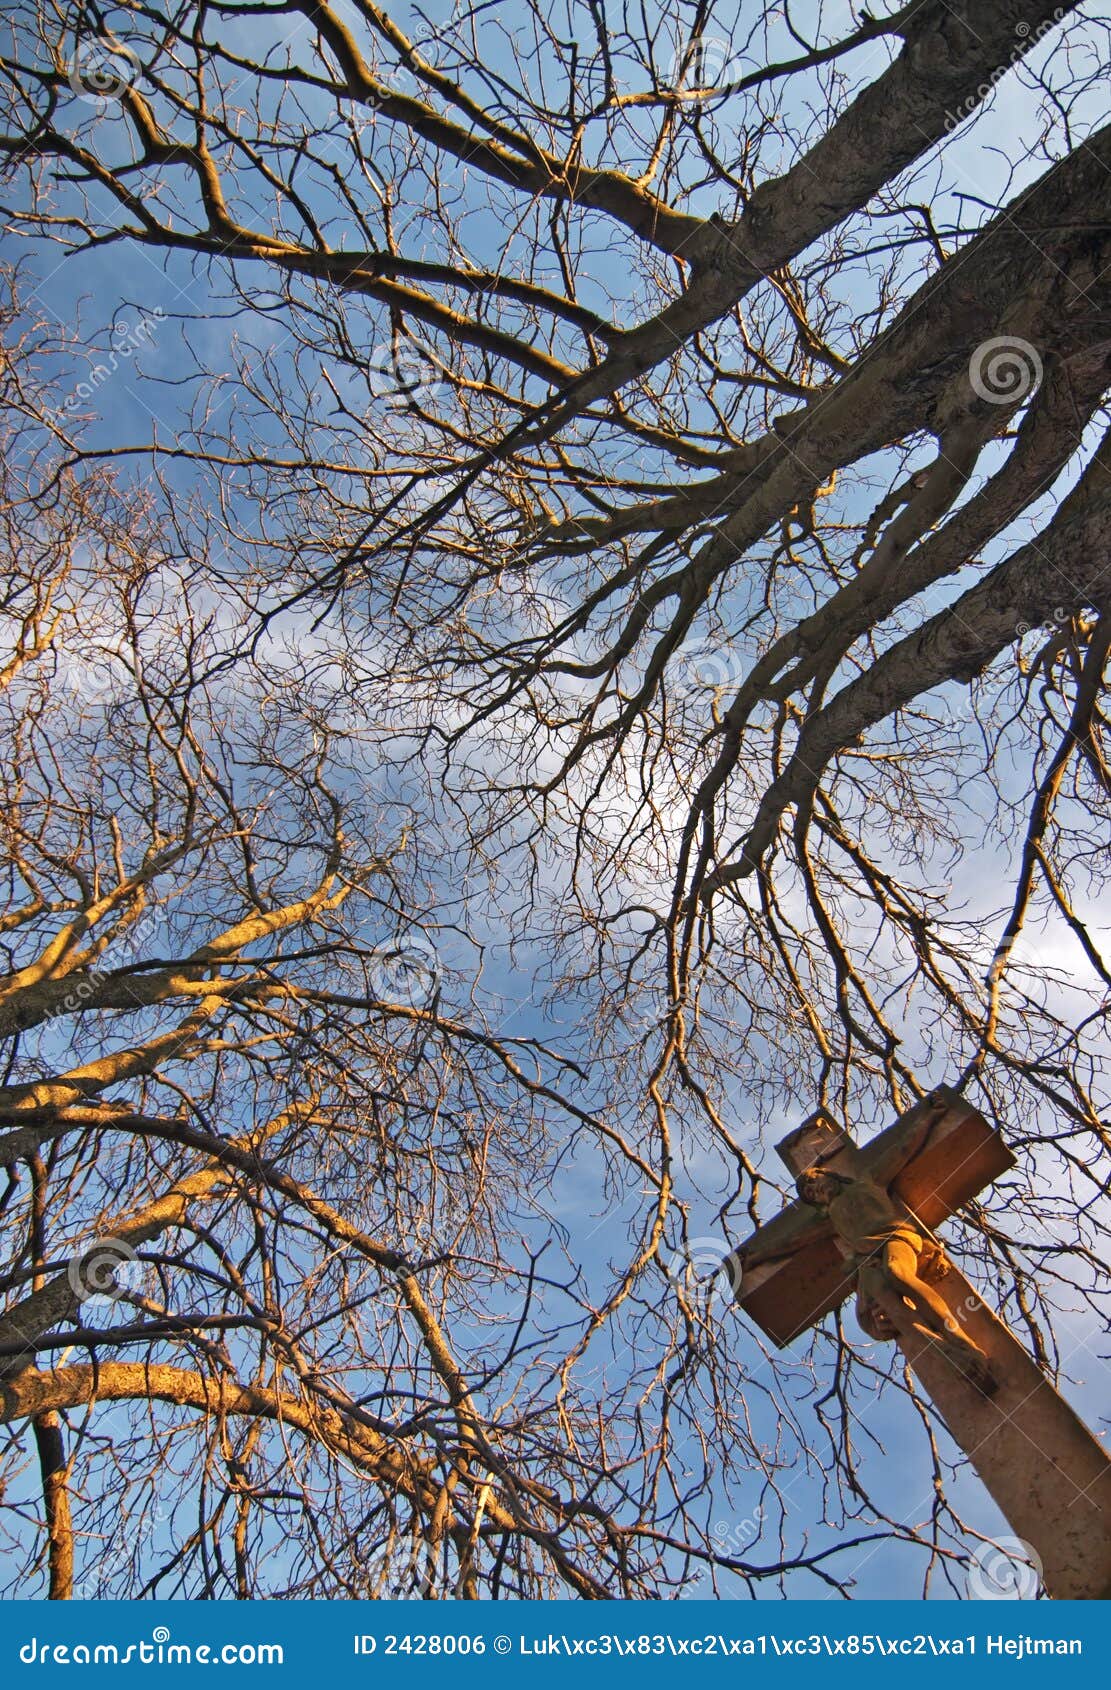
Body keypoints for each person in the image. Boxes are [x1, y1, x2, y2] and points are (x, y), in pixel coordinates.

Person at [795, 1166, 996, 1393]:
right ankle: (947, 1355)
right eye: (810, 1194)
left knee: (896, 1272)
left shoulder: (868, 1179)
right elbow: (790, 1242)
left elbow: (905, 1146)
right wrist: (751, 1257)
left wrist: (929, 1127)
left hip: (894, 1238)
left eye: (814, 1180)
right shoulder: (830, 1217)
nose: (815, 1189)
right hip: (868, 1260)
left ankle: (962, 1343)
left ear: (827, 1173)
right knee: (888, 1306)